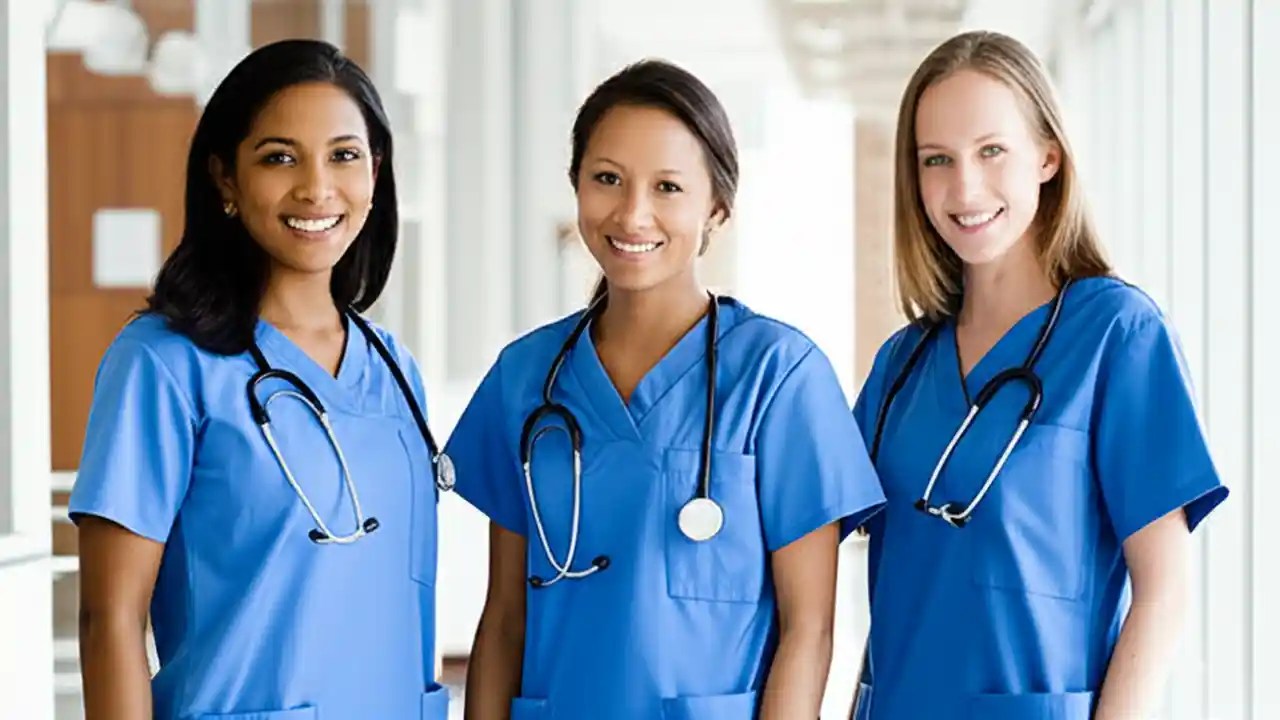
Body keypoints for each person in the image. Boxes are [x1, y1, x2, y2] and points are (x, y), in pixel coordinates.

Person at [446, 59, 885, 719]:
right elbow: (505, 620)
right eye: (607, 179)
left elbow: (809, 630)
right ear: (576, 186)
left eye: (668, 187)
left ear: (717, 206)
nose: (632, 213)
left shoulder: (779, 376)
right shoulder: (524, 377)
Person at [849, 30, 1228, 720]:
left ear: (1047, 156)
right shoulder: (902, 366)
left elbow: (1166, 590)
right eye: (938, 160)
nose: (964, 188)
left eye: (992, 150)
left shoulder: (1116, 334)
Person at [70, 39, 452, 720]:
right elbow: (111, 621)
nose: (316, 187)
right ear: (224, 179)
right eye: (280, 157)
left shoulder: (393, 367)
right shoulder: (163, 364)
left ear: (375, 173)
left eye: (344, 155)